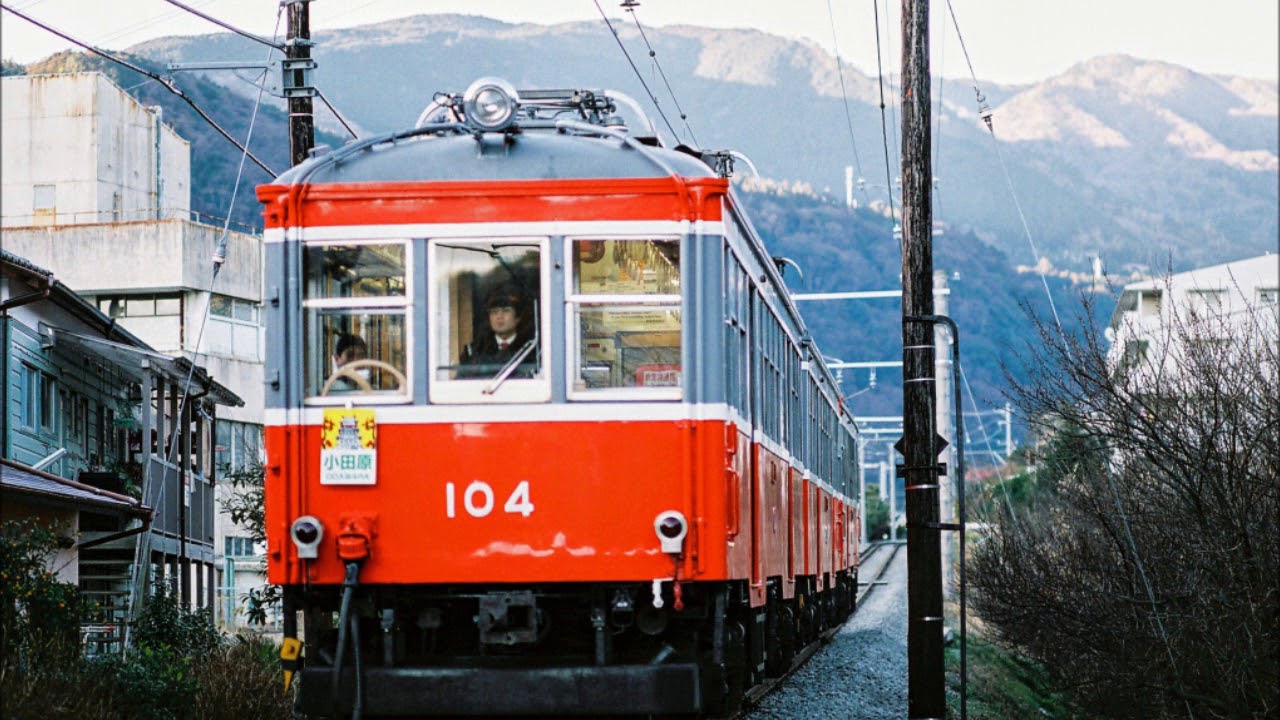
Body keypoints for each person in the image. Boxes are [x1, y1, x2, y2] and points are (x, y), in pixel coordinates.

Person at [461, 283, 536, 373]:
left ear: (518, 317)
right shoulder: (475, 349)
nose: (499, 317)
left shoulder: (530, 349)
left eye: (506, 311)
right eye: (494, 312)